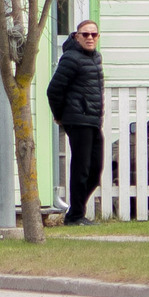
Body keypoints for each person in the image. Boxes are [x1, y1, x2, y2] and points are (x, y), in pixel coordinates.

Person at [47, 19, 103, 226]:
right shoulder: (70, 58)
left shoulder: (96, 58)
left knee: (95, 171)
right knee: (81, 169)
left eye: (94, 35)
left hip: (93, 121)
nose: (90, 38)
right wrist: (60, 116)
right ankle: (76, 216)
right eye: (85, 34)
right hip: (78, 120)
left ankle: (75, 211)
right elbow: (53, 90)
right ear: (76, 36)